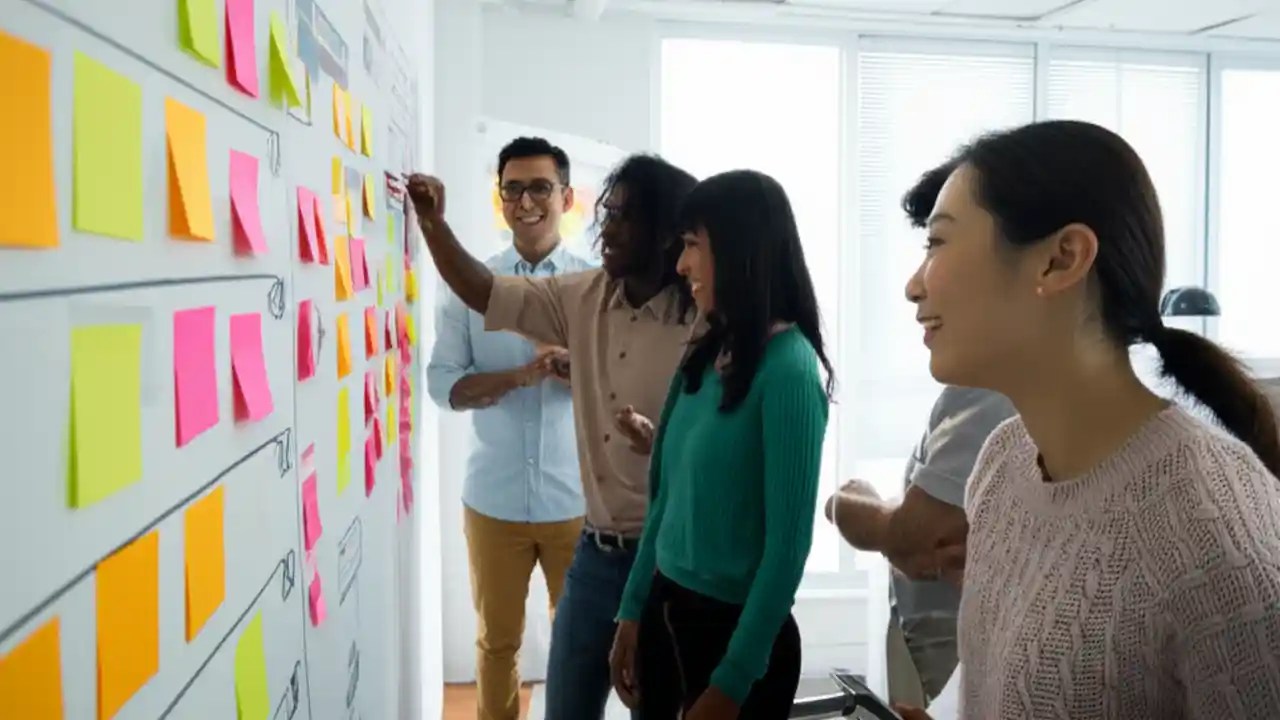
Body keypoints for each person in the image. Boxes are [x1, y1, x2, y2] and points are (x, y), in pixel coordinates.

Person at [893, 119, 1280, 720]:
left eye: (937, 243)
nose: (913, 286)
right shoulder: (1001, 464)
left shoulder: (1214, 540)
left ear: (1060, 259)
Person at [408, 154, 699, 720]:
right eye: (606, 214)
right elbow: (483, 292)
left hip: (669, 558)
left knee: (655, 706)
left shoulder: (703, 317)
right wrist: (433, 226)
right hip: (594, 543)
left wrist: (660, 443)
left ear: (666, 231)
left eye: (621, 217)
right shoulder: (582, 294)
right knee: (561, 702)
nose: (604, 228)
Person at [608, 170, 834, 719]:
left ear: (739, 250)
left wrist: (731, 684)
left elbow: (786, 551)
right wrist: (632, 612)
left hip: (735, 642)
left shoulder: (790, 372)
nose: (681, 265)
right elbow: (666, 502)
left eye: (691, 245)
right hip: (667, 614)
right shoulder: (706, 350)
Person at [824, 160, 1014, 707]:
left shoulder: (989, 389)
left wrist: (854, 508)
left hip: (956, 659)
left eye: (938, 244)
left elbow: (916, 540)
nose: (913, 285)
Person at [426, 137, 594, 720]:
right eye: (513, 188)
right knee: (497, 644)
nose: (525, 201)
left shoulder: (594, 286)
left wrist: (578, 371)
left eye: (540, 187)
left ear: (566, 197)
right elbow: (442, 385)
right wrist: (520, 376)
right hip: (493, 501)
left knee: (579, 647)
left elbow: (623, 384)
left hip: (576, 501)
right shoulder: (471, 284)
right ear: (500, 198)